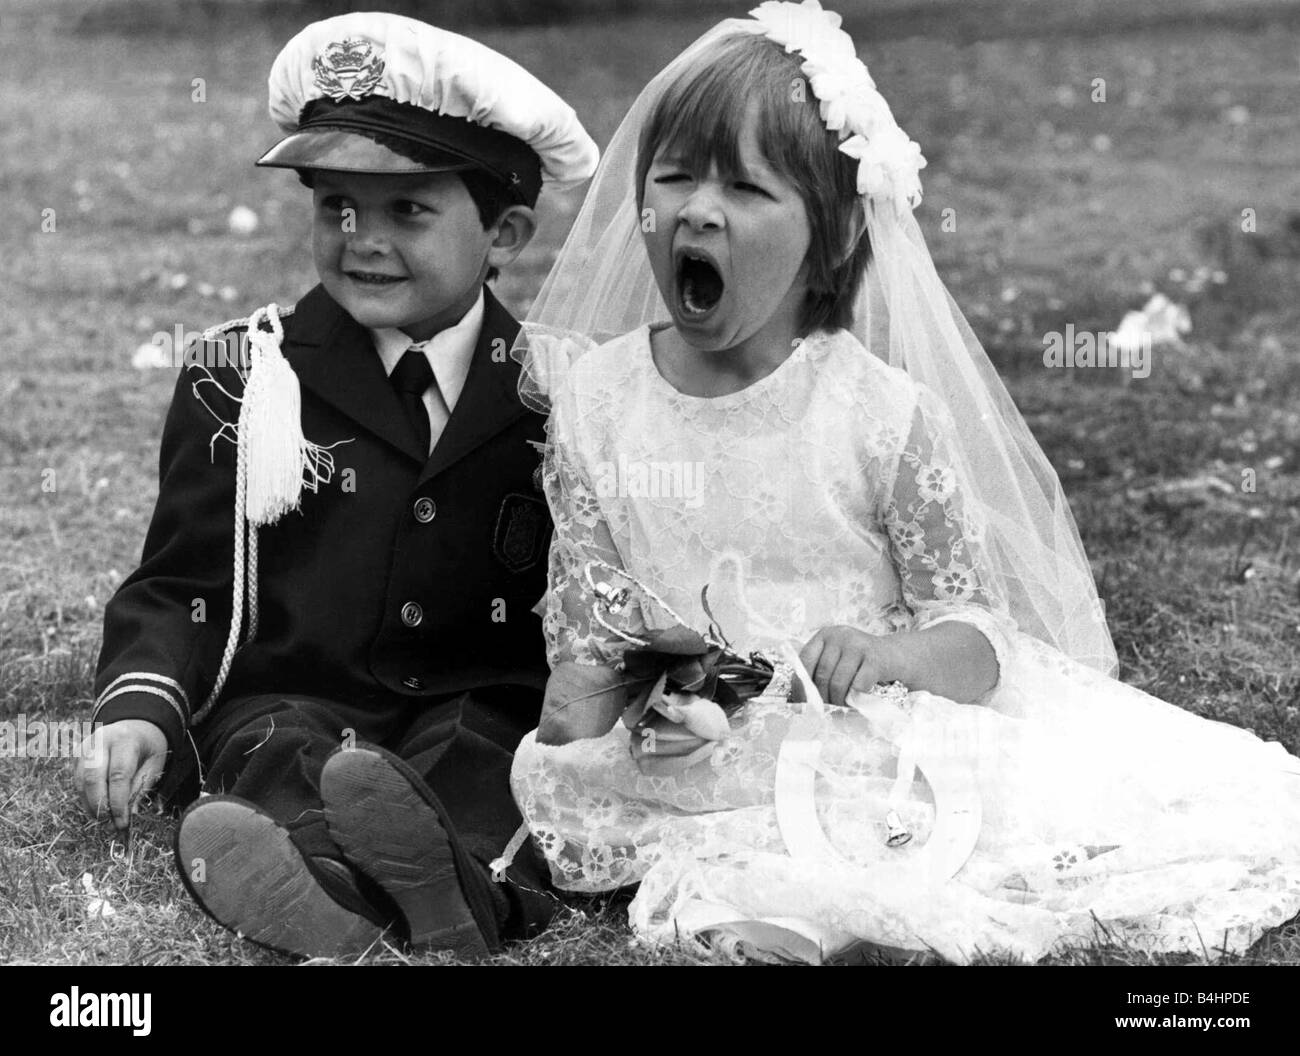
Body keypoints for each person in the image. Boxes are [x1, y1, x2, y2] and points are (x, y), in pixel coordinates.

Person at [504, 0, 1300, 964]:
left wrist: (889, 661)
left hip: (867, 739)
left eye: (749, 190)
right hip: (698, 744)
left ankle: (810, 912)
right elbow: (590, 622)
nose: (698, 211)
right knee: (594, 790)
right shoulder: (598, 401)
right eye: (673, 180)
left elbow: (979, 642)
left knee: (911, 824)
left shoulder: (875, 413)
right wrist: (587, 729)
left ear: (831, 242)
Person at [76, 12, 598, 959]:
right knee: (271, 746)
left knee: (497, 757)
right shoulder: (242, 374)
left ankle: (423, 900)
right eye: (337, 206)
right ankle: (334, 891)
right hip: (304, 698)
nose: (362, 238)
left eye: (408, 210)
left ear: (507, 232)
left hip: (473, 694)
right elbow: (182, 583)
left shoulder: (555, 393)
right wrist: (142, 701)